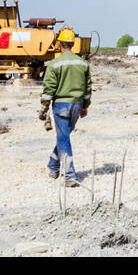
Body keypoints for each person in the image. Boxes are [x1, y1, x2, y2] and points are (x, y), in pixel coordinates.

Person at [41, 29, 91, 185]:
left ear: (60, 44)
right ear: (73, 44)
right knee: (64, 137)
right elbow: (88, 88)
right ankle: (53, 166)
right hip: (77, 105)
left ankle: (70, 176)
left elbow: (49, 88)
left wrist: (44, 107)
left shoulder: (54, 64)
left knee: (63, 138)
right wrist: (85, 106)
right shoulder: (83, 63)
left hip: (61, 105)